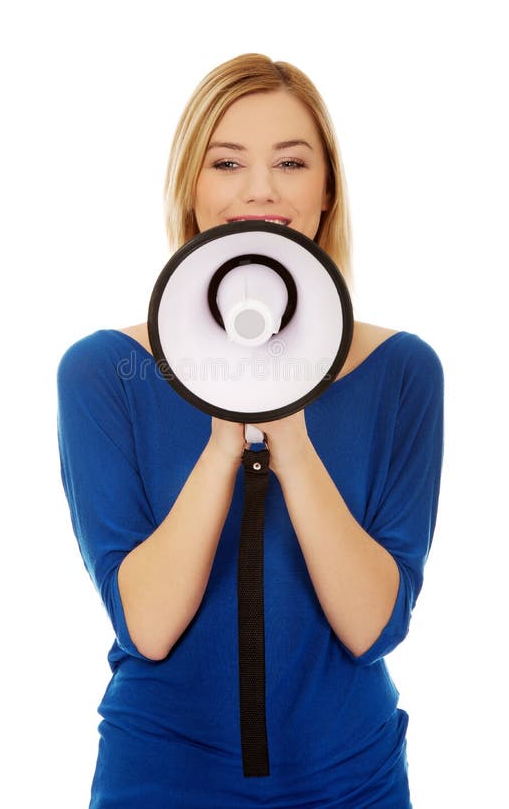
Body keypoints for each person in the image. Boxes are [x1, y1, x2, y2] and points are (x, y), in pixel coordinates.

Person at [56, 53, 444, 808]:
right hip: (159, 778)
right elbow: (148, 626)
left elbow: (373, 627)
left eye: (291, 162)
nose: (260, 188)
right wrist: (223, 436)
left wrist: (290, 436)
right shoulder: (103, 372)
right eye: (226, 162)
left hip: (352, 781)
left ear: (327, 191)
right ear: (191, 188)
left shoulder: (402, 371)